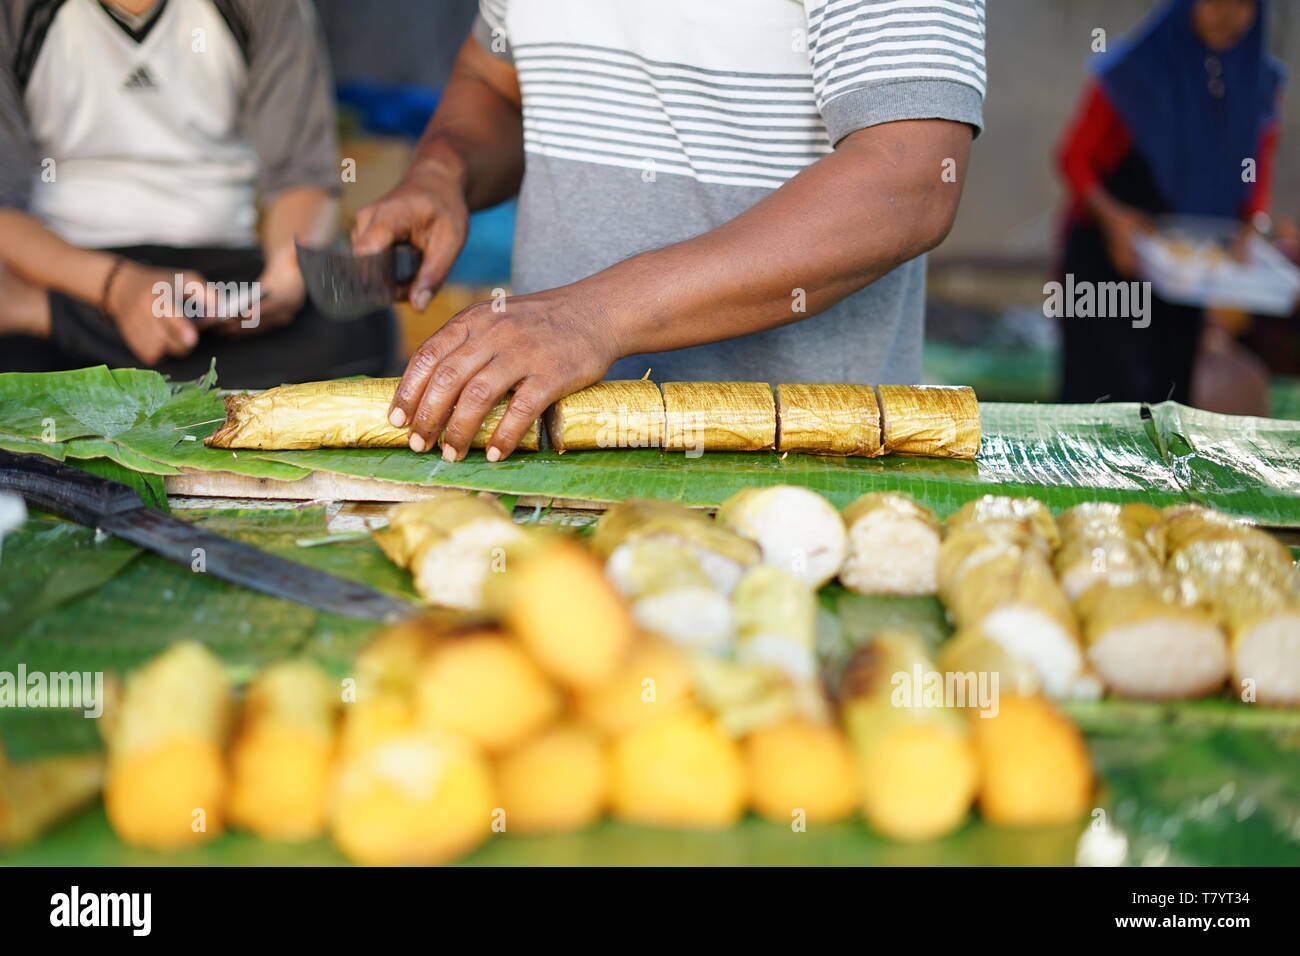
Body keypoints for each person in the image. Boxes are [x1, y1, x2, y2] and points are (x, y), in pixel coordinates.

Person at [355, 0, 986, 462]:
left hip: (791, 471)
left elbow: (911, 178)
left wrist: (592, 315)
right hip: (538, 452)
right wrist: (444, 169)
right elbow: (493, 81)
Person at [0, 0, 395, 387]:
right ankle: (52, 318)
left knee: (361, 323)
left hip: (214, 280)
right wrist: (117, 288)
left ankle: (58, 329)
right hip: (62, 269)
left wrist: (286, 275)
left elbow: (302, 177)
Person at [1054, 0, 1284, 405]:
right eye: (1214, 1)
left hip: (1183, 273)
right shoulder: (1134, 73)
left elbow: (1254, 167)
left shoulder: (1257, 86)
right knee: (1105, 396)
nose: (1226, 14)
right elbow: (1074, 158)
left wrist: (1251, 225)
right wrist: (1115, 220)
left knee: (1167, 393)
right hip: (1109, 261)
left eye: (1243, 4)